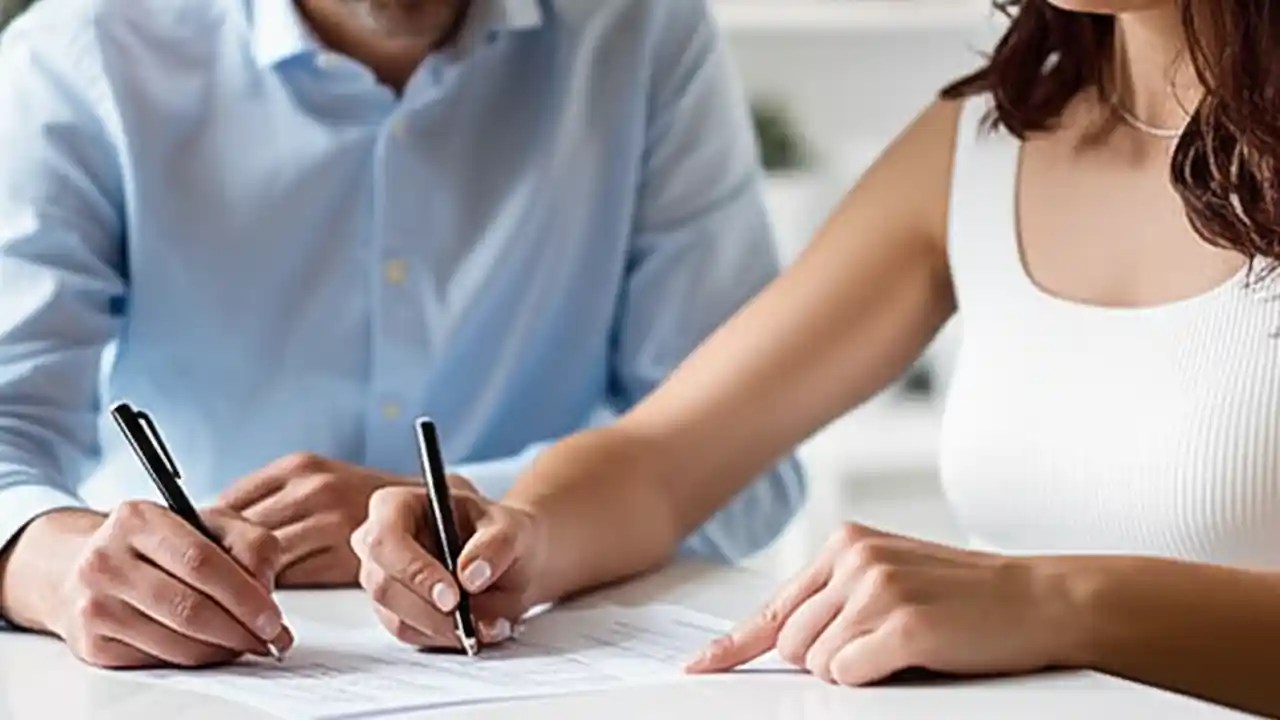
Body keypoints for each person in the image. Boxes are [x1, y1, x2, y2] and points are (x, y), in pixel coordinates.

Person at [352, 0, 1280, 716]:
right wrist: (518, 535)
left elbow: (1047, 602)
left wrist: (1059, 602)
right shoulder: (984, 143)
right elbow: (669, 454)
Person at [0, 0, 806, 668]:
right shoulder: (80, 57)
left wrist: (474, 510)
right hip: (169, 670)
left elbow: (745, 467)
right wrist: (58, 566)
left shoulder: (642, 37)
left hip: (539, 666)